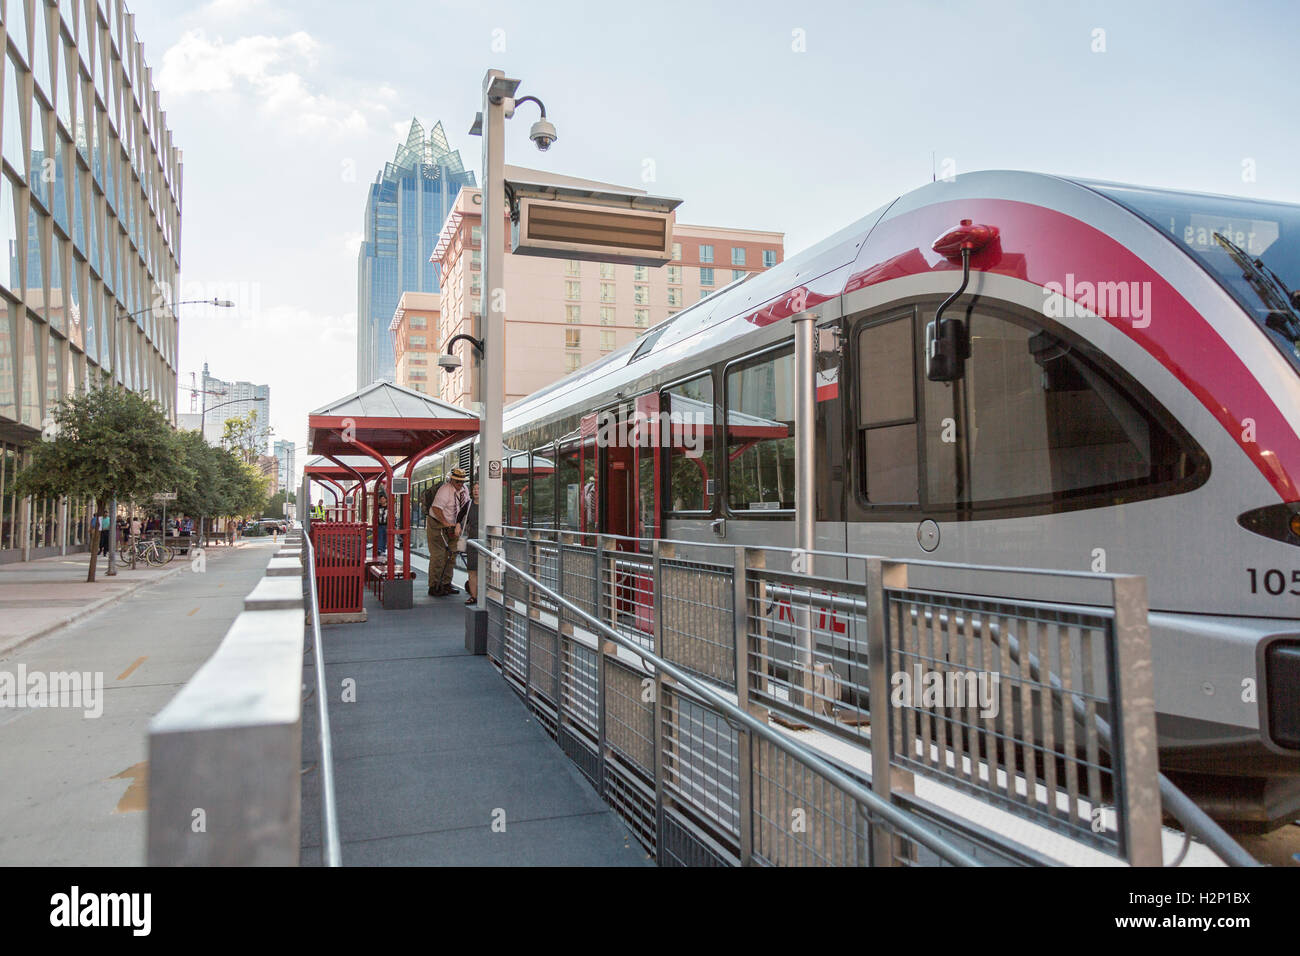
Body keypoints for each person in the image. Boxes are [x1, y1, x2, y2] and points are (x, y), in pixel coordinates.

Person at [426, 467, 470, 597]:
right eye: (457, 482)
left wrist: (459, 525)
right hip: (437, 524)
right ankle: (434, 586)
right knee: (438, 555)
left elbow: (465, 507)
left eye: (462, 482)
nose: (460, 484)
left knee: (451, 555)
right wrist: (445, 523)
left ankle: (446, 583)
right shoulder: (445, 490)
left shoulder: (464, 490)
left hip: (453, 525)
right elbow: (436, 508)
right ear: (452, 480)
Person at [463, 481, 480, 605]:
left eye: (478, 489)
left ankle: (484, 595)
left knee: (484, 570)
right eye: (474, 489)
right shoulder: (469, 505)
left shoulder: (488, 504)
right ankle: (474, 596)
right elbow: (460, 516)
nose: (476, 491)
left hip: (486, 543)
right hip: (472, 542)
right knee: (472, 570)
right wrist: (458, 525)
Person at [375, 489, 389, 556]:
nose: (382, 500)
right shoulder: (378, 507)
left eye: (383, 499)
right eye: (381, 499)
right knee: (380, 537)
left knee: (385, 538)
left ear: (386, 499)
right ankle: (380, 549)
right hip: (380, 524)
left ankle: (383, 549)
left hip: (387, 525)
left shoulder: (389, 507)